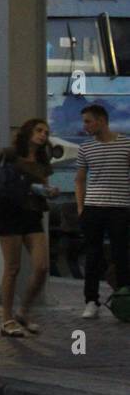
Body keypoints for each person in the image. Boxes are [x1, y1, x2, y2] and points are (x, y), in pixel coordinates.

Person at [0, 119, 59, 337]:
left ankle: (23, 310)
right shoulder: (9, 154)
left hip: (33, 214)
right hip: (9, 212)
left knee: (41, 267)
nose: (42, 135)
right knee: (12, 268)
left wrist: (49, 191)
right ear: (28, 132)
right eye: (39, 130)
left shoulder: (42, 158)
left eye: (46, 132)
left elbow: (45, 184)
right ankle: (7, 318)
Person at [74, 103, 130, 319]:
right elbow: (79, 179)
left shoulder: (126, 144)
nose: (85, 126)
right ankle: (91, 300)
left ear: (101, 121)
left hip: (120, 207)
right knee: (93, 255)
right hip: (93, 207)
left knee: (121, 254)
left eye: (88, 121)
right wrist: (81, 207)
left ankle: (123, 298)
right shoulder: (86, 148)